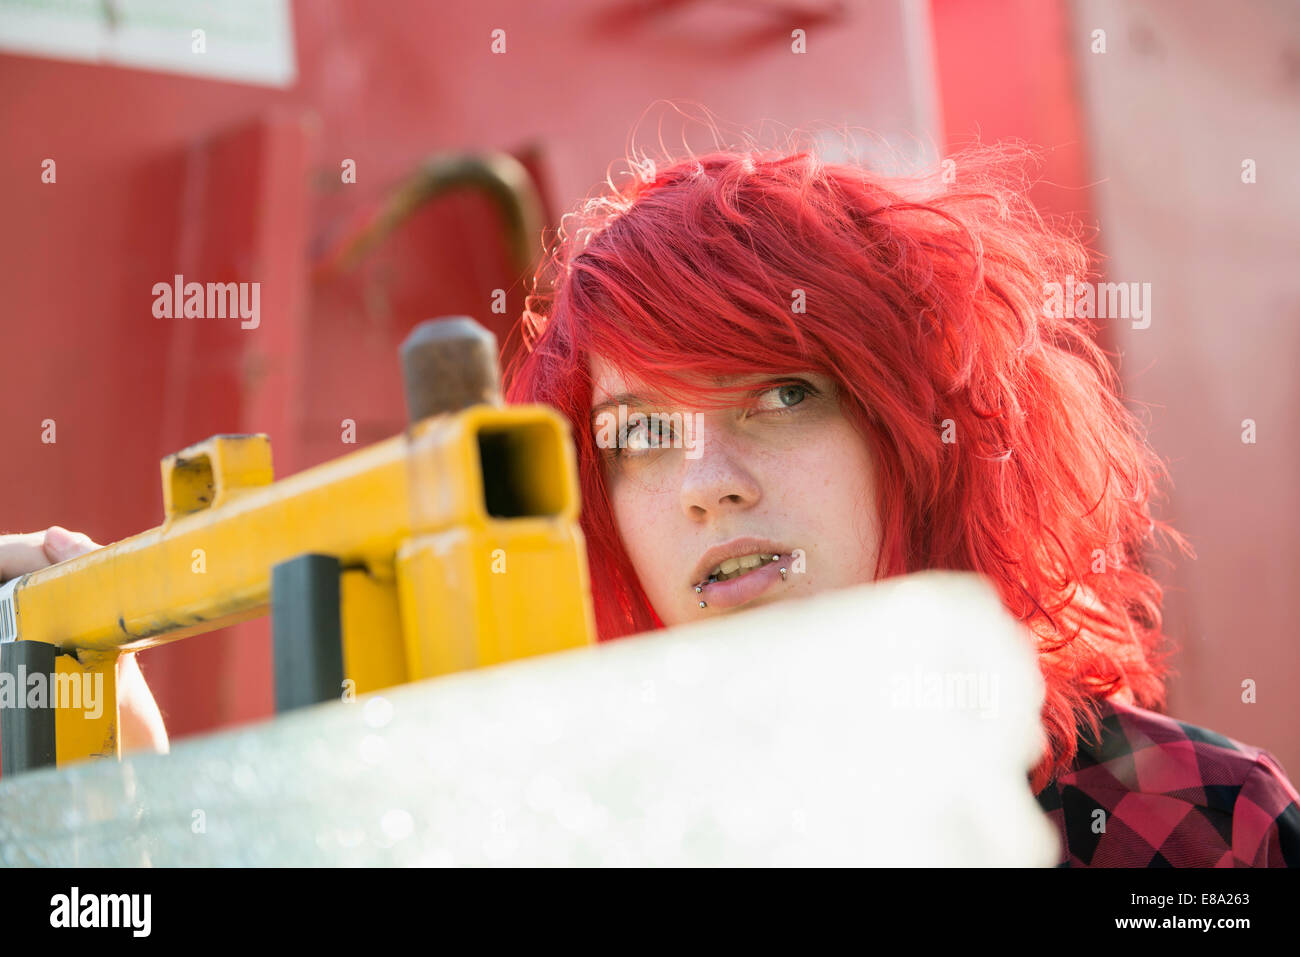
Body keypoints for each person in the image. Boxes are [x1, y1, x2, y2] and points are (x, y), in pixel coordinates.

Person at [5, 139, 1297, 866]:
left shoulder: (1187, 826)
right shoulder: (559, 823)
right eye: (638, 434)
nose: (702, 484)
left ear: (917, 431)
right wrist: (126, 818)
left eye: (779, 397)